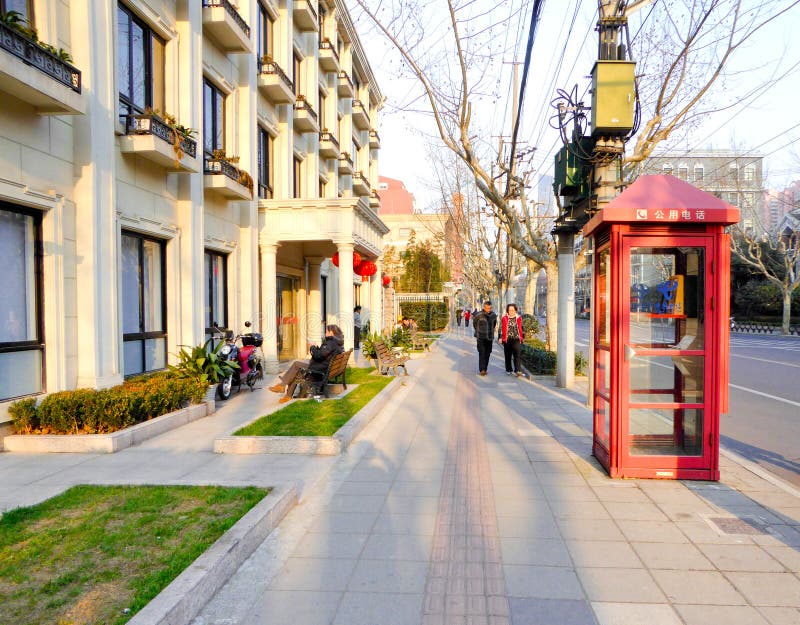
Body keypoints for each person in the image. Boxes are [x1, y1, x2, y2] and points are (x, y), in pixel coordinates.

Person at [268, 325, 345, 403]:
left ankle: (283, 387)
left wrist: (312, 346)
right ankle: (286, 393)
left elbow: (318, 356)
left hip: (319, 370)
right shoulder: (336, 342)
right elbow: (322, 354)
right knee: (297, 371)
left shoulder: (330, 343)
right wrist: (316, 346)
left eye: (326, 331)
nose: (325, 333)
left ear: (331, 332)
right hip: (323, 368)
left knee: (296, 364)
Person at [472, 300, 497, 376]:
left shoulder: (493, 315)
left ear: (491, 308)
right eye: (486, 308)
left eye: (489, 308)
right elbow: (475, 324)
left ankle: (485, 368)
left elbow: (494, 324)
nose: (488, 310)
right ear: (484, 307)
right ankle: (482, 369)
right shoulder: (478, 315)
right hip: (481, 337)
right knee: (482, 353)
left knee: (488, 353)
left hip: (489, 337)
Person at [500, 303, 524, 377]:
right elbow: (501, 328)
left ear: (515, 310)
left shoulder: (519, 318)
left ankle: (517, 370)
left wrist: (522, 337)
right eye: (509, 310)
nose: (511, 312)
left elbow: (522, 328)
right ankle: (509, 369)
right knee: (508, 355)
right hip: (507, 339)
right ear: (507, 311)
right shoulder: (504, 318)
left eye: (513, 310)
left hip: (516, 339)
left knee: (517, 355)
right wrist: (500, 337)